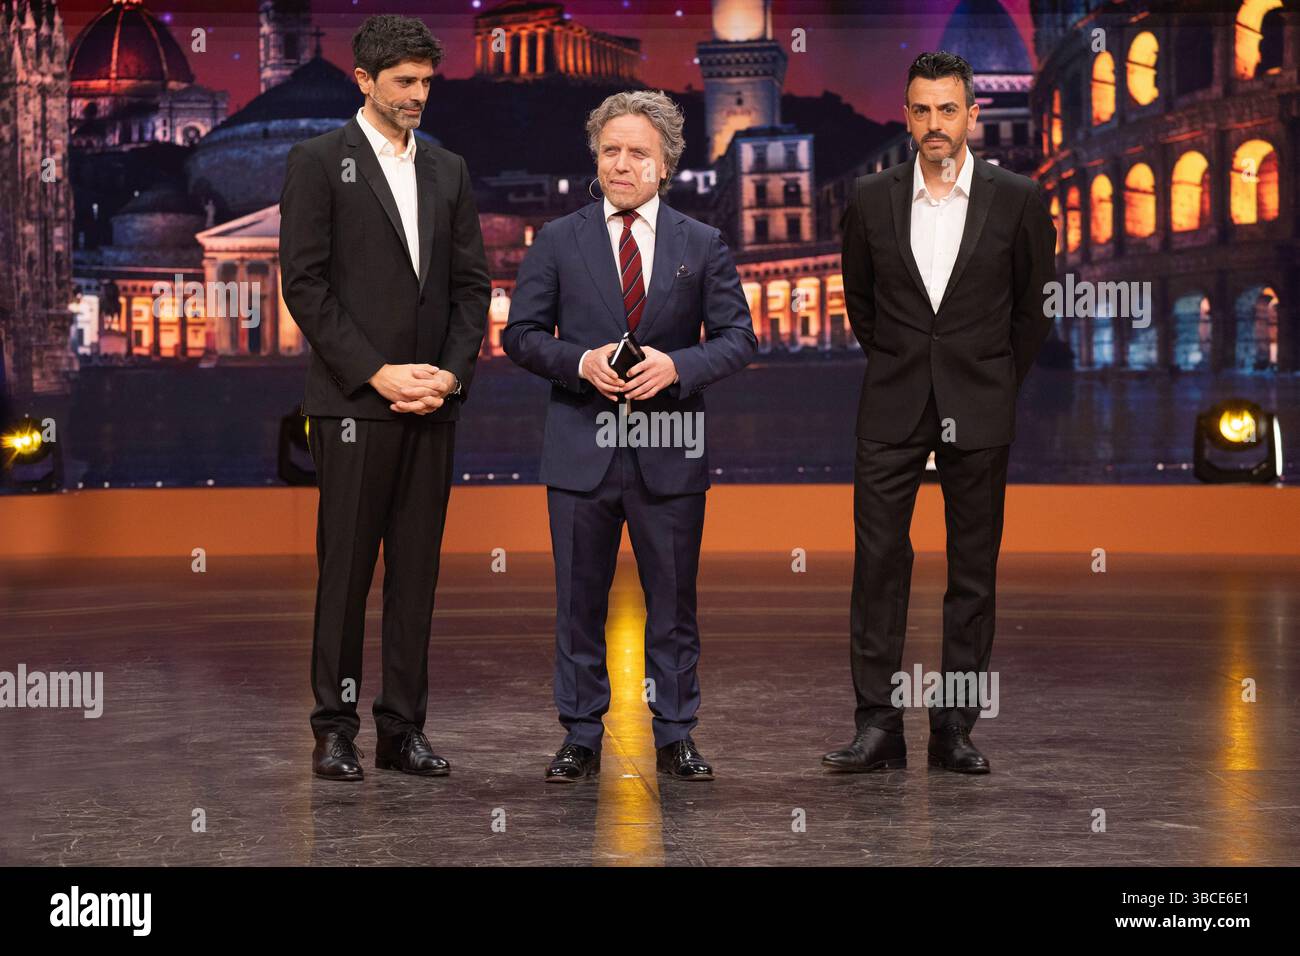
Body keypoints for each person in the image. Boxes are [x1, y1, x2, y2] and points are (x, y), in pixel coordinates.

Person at [503, 90, 756, 783]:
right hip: (579, 449)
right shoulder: (558, 240)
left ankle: (675, 734)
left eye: (636, 152)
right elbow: (519, 335)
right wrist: (579, 363)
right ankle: (580, 735)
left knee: (674, 605)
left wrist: (679, 366)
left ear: (666, 162)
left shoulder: (702, 245)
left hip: (671, 451)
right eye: (610, 150)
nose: (620, 163)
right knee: (577, 605)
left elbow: (739, 339)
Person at [824, 51, 1056, 775]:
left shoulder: (1018, 199)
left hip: (980, 404)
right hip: (891, 403)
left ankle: (954, 731)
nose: (934, 123)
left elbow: (1033, 309)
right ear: (906, 115)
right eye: (921, 110)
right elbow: (861, 303)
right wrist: (904, 364)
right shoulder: (870, 198)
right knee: (879, 566)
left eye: (947, 109)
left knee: (974, 573)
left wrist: (991, 379)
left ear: (972, 116)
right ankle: (877, 727)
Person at [279, 14, 490, 782]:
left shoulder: (449, 170)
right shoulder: (315, 161)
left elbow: (472, 288)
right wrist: (378, 373)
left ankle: (403, 730)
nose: (419, 96)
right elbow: (304, 284)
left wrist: (449, 375)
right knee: (345, 575)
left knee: (416, 573)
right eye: (404, 82)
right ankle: (333, 730)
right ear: (364, 81)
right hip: (352, 407)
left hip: (433, 405)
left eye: (427, 82)